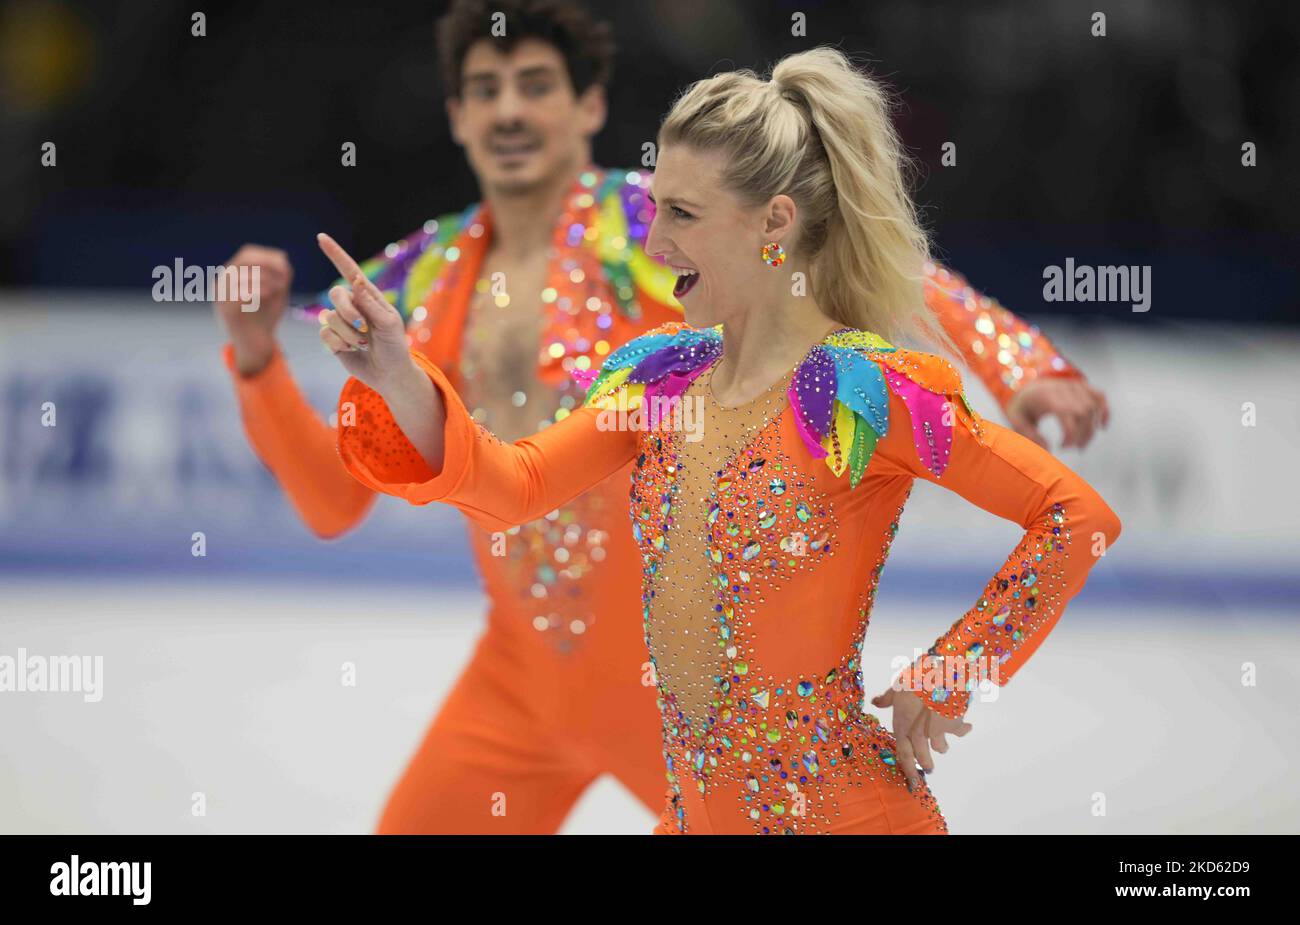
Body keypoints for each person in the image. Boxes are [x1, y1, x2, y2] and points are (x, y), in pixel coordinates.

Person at [214, 0, 1107, 834]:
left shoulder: (657, 223)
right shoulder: (450, 283)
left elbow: (876, 244)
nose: (509, 112)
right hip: (525, 689)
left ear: (590, 104)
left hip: (700, 722)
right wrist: (276, 364)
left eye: (535, 84)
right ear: (453, 114)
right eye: (485, 90)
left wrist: (1015, 362)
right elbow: (407, 492)